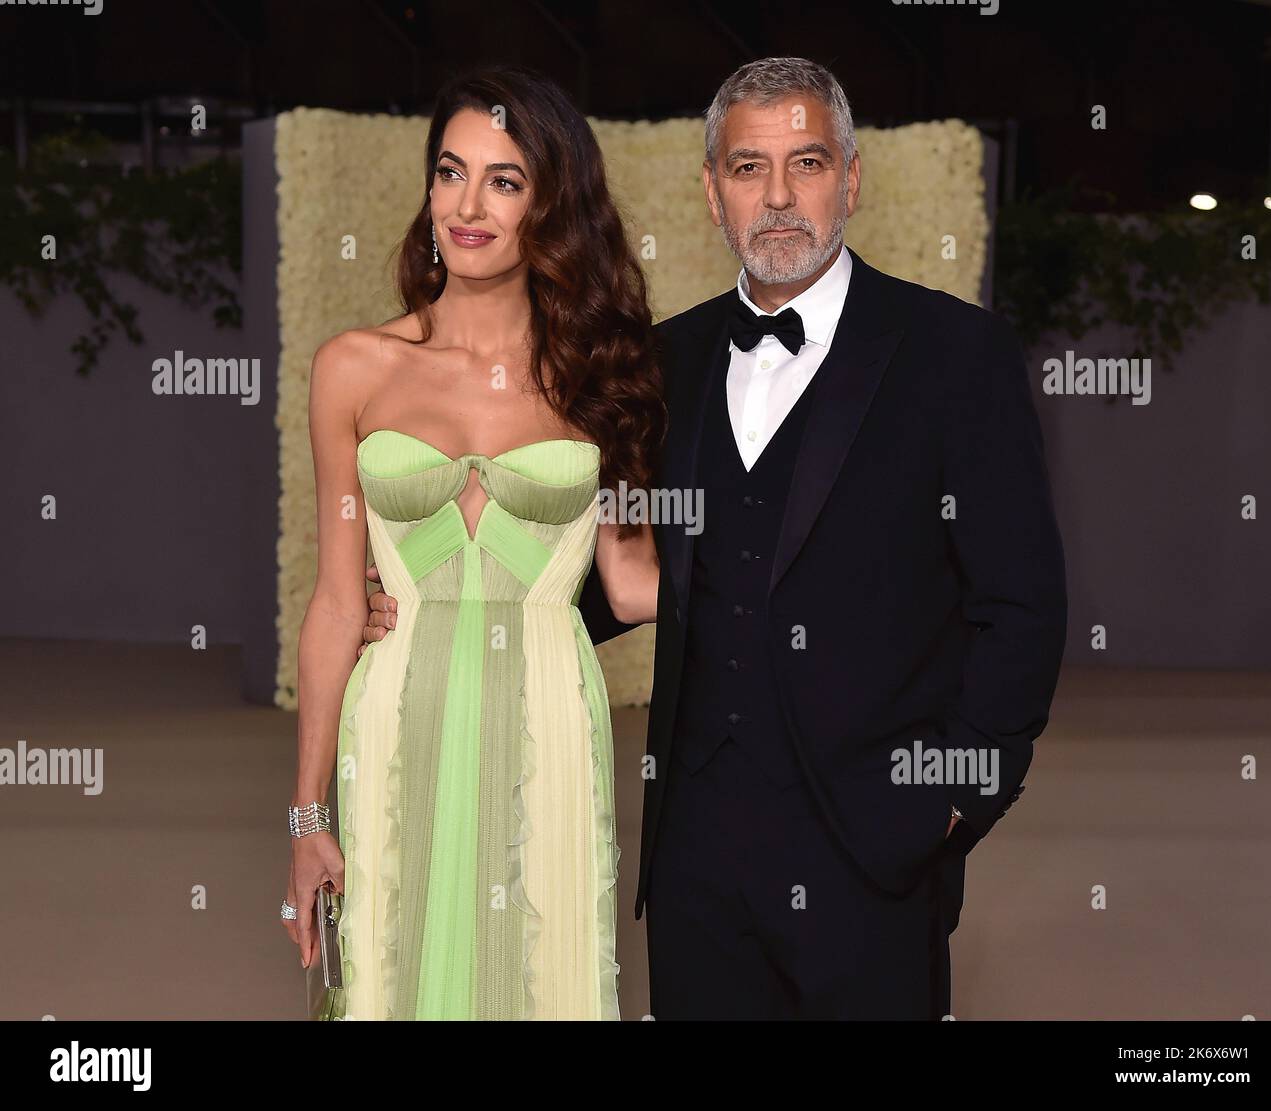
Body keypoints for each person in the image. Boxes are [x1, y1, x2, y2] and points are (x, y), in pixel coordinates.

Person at [363, 56, 1069, 1020]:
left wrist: (951, 801)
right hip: (697, 862)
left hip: (876, 849)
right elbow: (618, 578)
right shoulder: (661, 361)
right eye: (747, 168)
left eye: (807, 163)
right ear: (711, 192)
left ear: (851, 179)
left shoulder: (955, 355)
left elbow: (1022, 605)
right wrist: (430, 607)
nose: (778, 197)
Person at [283, 64, 663, 1021]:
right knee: (390, 980)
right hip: (395, 717)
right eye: (451, 172)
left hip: (549, 724)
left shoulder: (606, 376)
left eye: (504, 180)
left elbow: (631, 582)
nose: (468, 204)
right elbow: (336, 600)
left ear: (553, 207)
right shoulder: (354, 369)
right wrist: (306, 813)